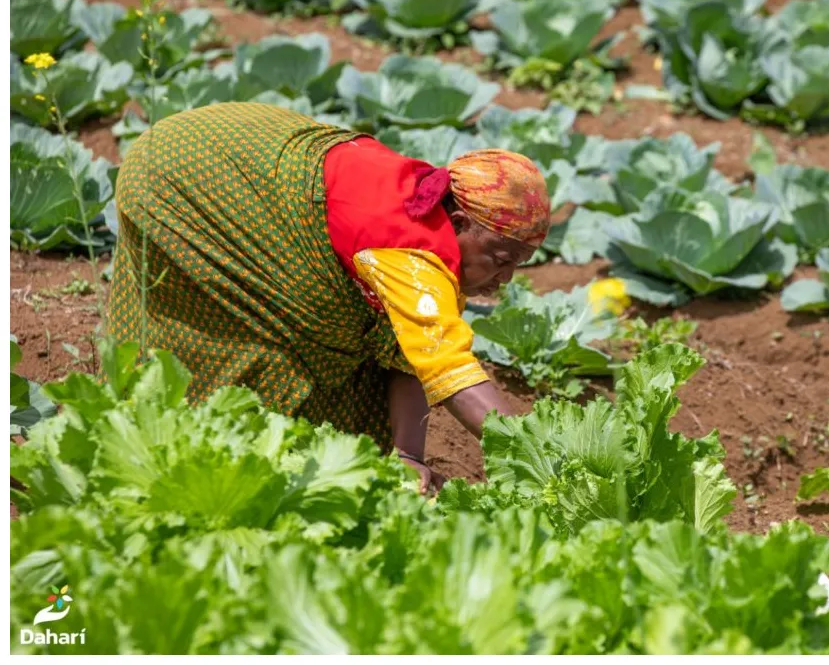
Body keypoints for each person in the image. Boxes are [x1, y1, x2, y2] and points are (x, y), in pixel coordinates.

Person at [107, 102, 550, 493]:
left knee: (352, 334)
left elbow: (411, 359)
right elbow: (448, 371)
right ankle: (182, 442)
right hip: (187, 176)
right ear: (456, 221)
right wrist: (544, 459)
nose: (505, 277)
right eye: (500, 258)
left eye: (518, 264)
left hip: (234, 141)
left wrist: (409, 456)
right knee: (260, 336)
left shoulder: (424, 213)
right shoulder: (410, 253)